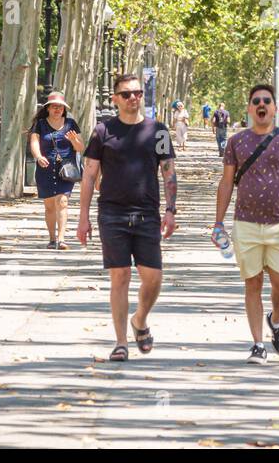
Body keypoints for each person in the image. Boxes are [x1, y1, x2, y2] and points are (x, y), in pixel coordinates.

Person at [77, 73, 177, 362]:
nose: (133, 98)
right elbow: (89, 175)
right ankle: (121, 342)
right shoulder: (102, 132)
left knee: (153, 278)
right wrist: (83, 217)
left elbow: (168, 172)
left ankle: (140, 320)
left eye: (137, 93)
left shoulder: (158, 131)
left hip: (147, 213)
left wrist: (170, 210)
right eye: (126, 94)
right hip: (112, 213)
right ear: (115, 99)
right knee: (119, 276)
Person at [214, 84, 279, 364]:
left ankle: (275, 321)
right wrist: (218, 223)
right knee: (252, 283)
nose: (262, 104)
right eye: (256, 101)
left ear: (275, 108)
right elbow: (227, 181)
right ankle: (257, 344)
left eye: (267, 100)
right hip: (246, 224)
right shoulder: (236, 142)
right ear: (250, 108)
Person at [28, 92, 85, 249]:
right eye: (54, 107)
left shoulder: (71, 124)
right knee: (49, 206)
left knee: (62, 202)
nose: (57, 109)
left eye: (60, 107)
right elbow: (34, 142)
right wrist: (38, 156)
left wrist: (74, 141)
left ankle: (61, 239)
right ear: (48, 109)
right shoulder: (40, 124)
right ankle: (52, 238)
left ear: (64, 109)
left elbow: (81, 148)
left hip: (66, 169)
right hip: (45, 168)